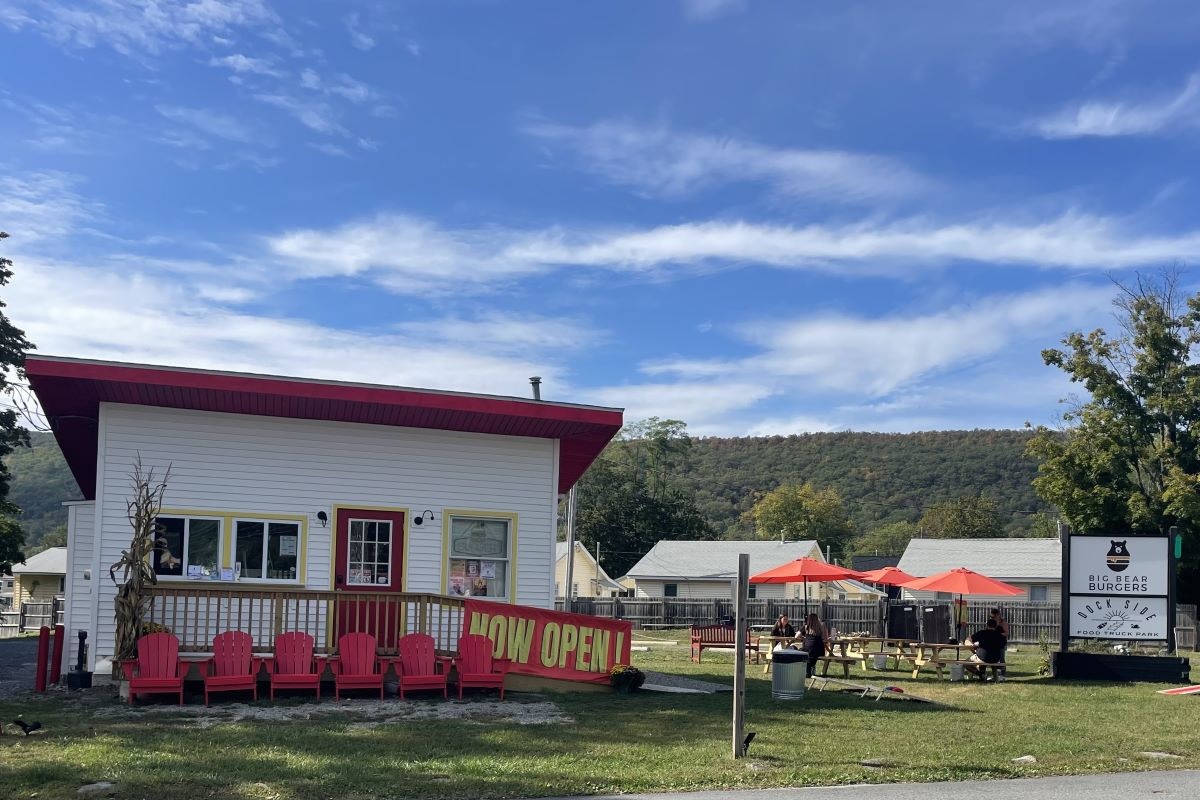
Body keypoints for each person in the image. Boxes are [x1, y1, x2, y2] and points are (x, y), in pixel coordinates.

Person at [990, 607, 1010, 681]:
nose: (992, 618)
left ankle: (1003, 674)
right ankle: (995, 675)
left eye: (993, 617)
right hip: (993, 643)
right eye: (991, 617)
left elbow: (1006, 633)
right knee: (994, 659)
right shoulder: (992, 622)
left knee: (1001, 658)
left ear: (998, 615)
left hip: (1001, 643)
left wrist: (998, 634)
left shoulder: (1003, 623)